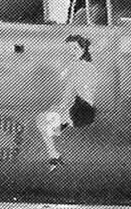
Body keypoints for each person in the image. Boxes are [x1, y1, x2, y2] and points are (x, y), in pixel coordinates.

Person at [37, 35, 100, 170]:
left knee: (42, 120)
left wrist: (61, 107)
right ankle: (54, 155)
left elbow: (71, 91)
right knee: (46, 122)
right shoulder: (86, 66)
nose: (71, 51)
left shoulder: (79, 67)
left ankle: (54, 156)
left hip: (80, 110)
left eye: (74, 48)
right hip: (85, 111)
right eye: (68, 49)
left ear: (83, 50)